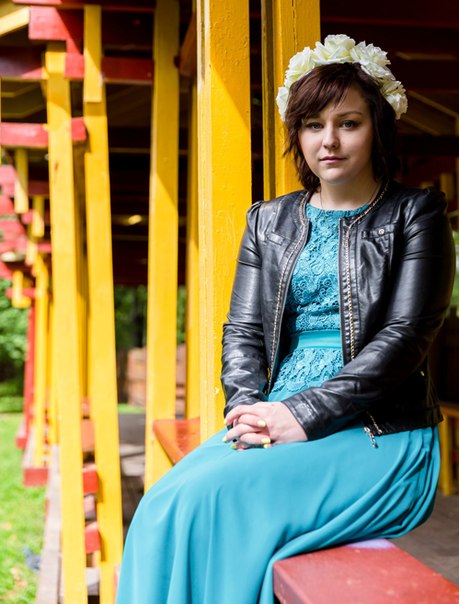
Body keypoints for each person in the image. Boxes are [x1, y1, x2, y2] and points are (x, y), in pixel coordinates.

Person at [116, 35, 455, 604]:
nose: (329, 140)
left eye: (348, 123)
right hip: (273, 416)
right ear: (297, 134)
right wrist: (248, 408)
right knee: (161, 505)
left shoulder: (414, 214)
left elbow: (405, 338)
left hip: (377, 429)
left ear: (377, 128)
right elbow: (243, 332)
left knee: (214, 502)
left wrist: (302, 413)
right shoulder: (268, 221)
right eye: (313, 125)